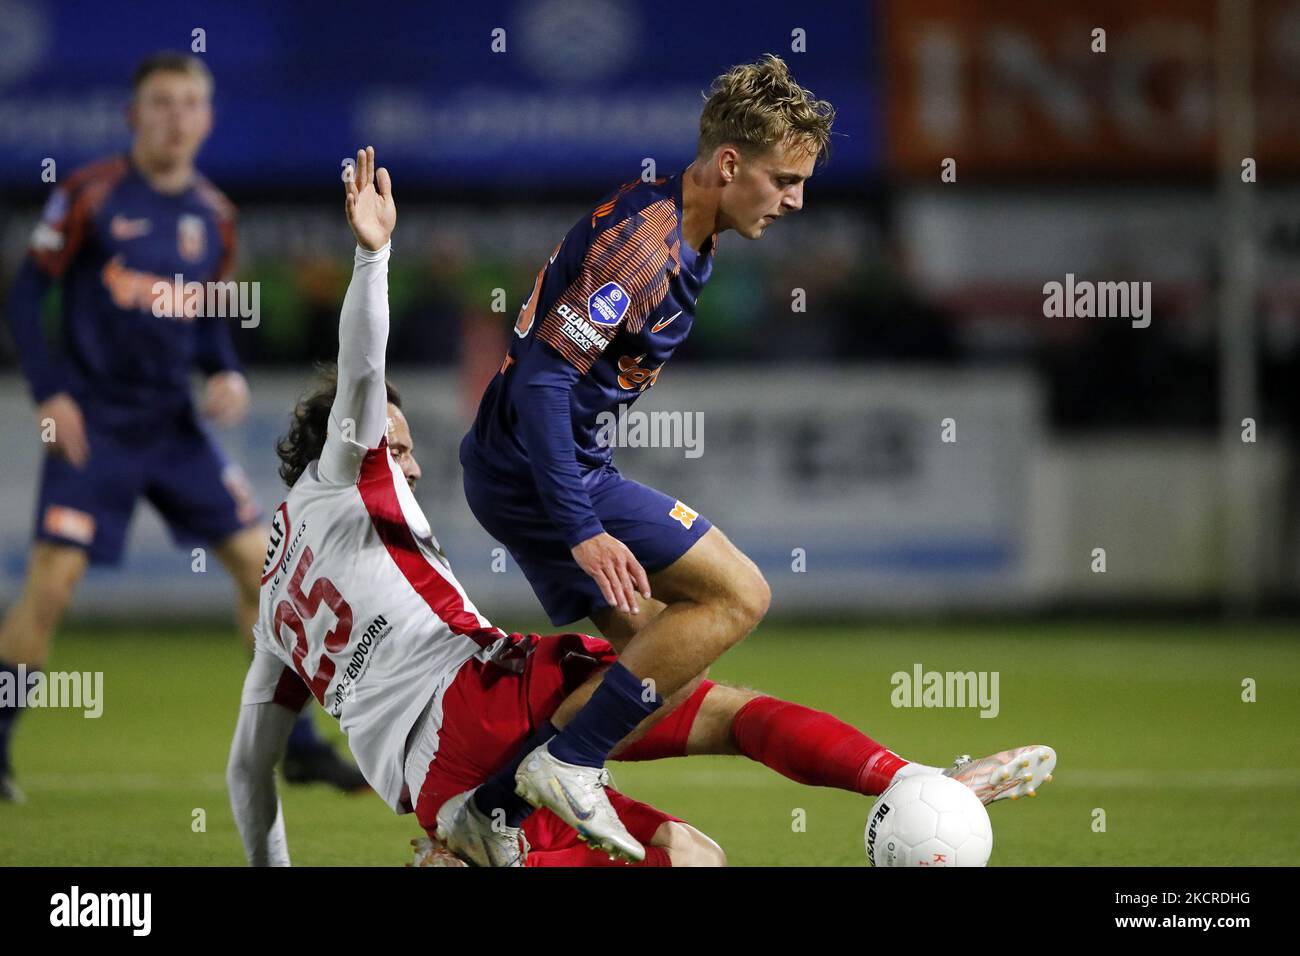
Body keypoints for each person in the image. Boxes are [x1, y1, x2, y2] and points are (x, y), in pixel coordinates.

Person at [227, 147, 1057, 868]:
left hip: (443, 778)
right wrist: (374, 258)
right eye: (396, 449)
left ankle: (907, 780)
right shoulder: (346, 472)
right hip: (484, 702)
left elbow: (248, 770)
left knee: (693, 773)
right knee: (732, 630)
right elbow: (363, 369)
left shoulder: (276, 611)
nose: (405, 465)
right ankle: (556, 782)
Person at [458, 53, 837, 857]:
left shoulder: (685, 233)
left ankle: (491, 812)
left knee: (657, 661)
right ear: (730, 163)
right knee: (739, 596)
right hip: (543, 470)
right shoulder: (644, 247)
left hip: (525, 469)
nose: (795, 200)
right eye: (784, 179)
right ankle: (567, 765)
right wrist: (582, 527)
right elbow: (543, 381)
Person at [0, 51, 362, 804]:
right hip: (94, 423)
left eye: (189, 103)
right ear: (134, 115)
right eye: (160, 102)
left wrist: (224, 369)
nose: (174, 117)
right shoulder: (90, 196)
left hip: (174, 423)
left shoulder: (213, 216)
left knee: (263, 573)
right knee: (53, 584)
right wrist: (52, 392)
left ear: (207, 118)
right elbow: (28, 293)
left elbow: (203, 318)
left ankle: (296, 746)